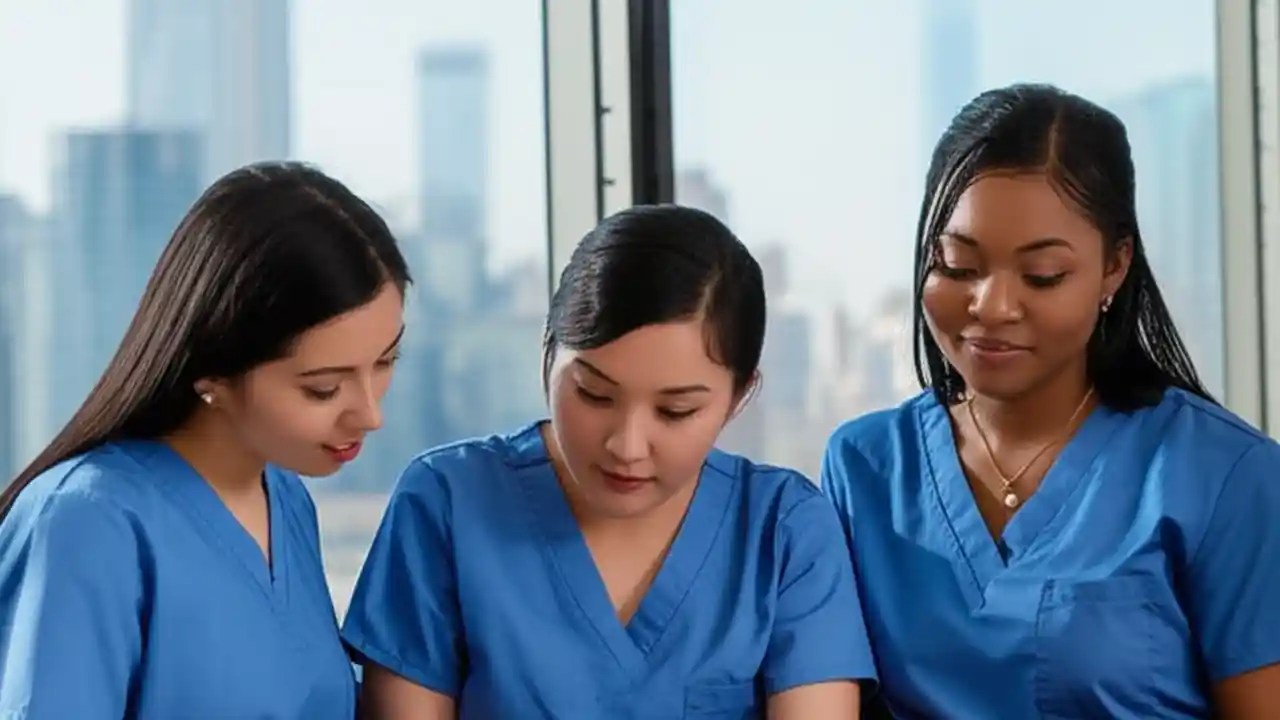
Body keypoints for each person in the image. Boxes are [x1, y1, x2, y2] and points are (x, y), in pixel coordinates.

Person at [822, 83, 1280, 719]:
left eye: (1042, 276)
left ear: (1114, 267)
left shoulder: (1226, 476)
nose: (992, 307)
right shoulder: (864, 467)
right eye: (957, 265)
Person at [341, 205, 876, 719]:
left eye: (676, 410)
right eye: (594, 396)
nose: (627, 445)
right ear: (547, 353)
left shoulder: (784, 530)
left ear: (739, 397)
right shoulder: (447, 503)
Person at [0, 162, 412, 719]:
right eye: (323, 389)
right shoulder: (87, 521)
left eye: (386, 362)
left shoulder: (287, 501)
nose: (369, 413)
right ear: (211, 375)